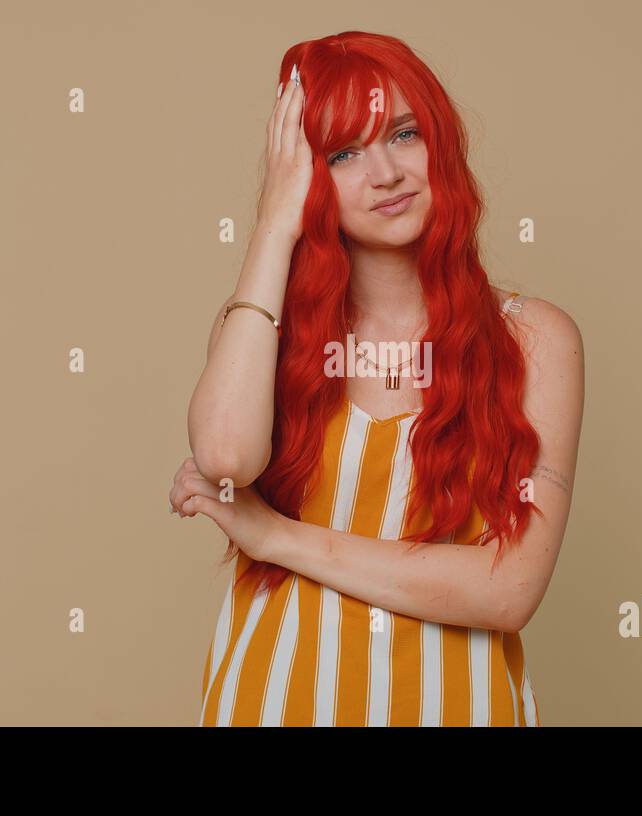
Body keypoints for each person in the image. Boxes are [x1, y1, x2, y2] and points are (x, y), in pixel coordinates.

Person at [170, 31, 584, 726]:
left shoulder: (536, 340)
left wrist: (272, 537)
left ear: (440, 142)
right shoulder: (261, 332)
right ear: (305, 174)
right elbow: (224, 459)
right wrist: (275, 224)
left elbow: (509, 589)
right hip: (271, 702)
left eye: (403, 133)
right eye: (344, 153)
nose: (386, 172)